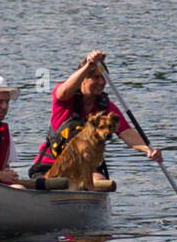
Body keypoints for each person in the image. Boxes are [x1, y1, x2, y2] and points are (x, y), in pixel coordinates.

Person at [28, 50, 163, 181]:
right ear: (83, 80)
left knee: (99, 180)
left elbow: (126, 132)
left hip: (86, 166)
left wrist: (147, 149)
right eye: (96, 77)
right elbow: (64, 91)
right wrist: (89, 65)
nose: (101, 82)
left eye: (104, 78)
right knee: (57, 183)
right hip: (51, 164)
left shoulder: (106, 107)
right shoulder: (65, 97)